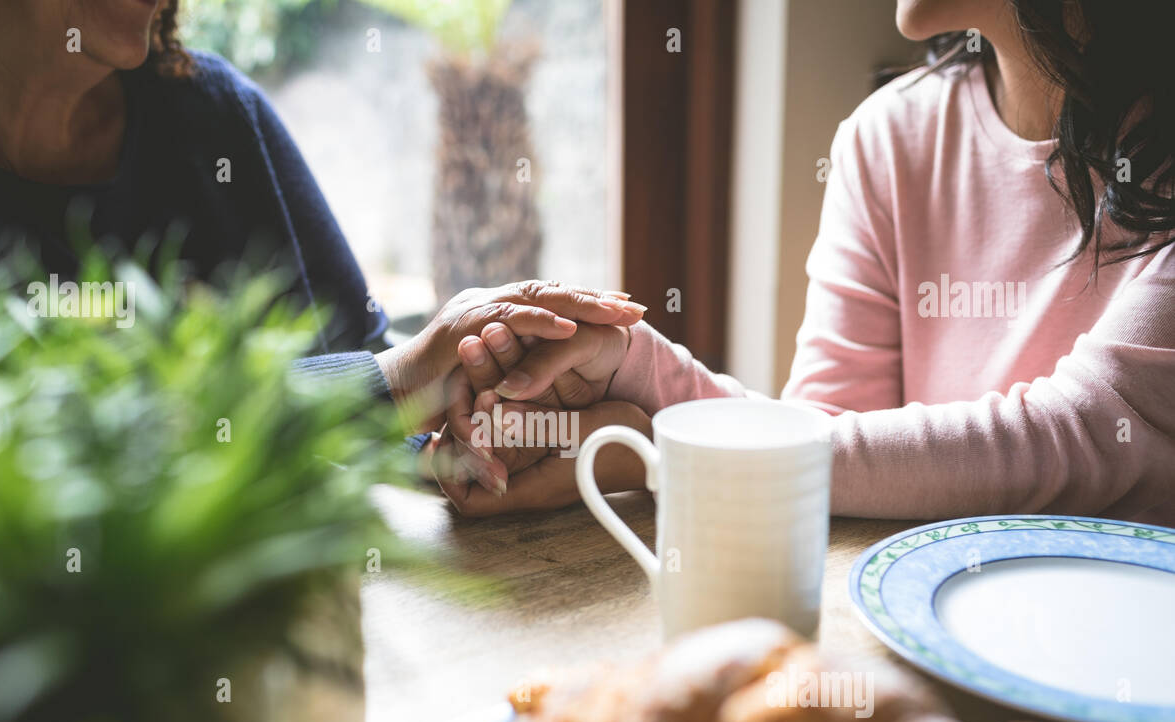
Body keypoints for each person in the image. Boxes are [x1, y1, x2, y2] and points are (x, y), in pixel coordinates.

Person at [435, 0, 1175, 526]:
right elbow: (826, 434)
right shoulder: (890, 138)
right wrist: (626, 369)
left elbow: (1083, 438)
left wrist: (662, 453)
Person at [0, 0, 646, 438]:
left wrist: (507, 418)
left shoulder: (210, 118)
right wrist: (400, 376)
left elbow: (369, 388)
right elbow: (50, 455)